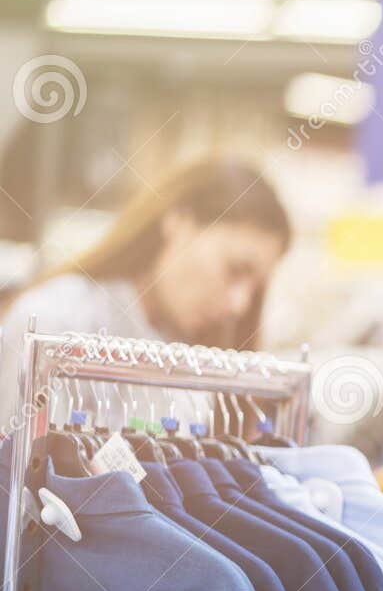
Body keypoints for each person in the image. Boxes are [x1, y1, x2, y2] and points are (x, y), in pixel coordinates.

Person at [0, 157, 290, 429]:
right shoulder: (54, 323)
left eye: (256, 288)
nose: (240, 304)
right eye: (235, 269)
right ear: (180, 222)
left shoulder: (198, 360)